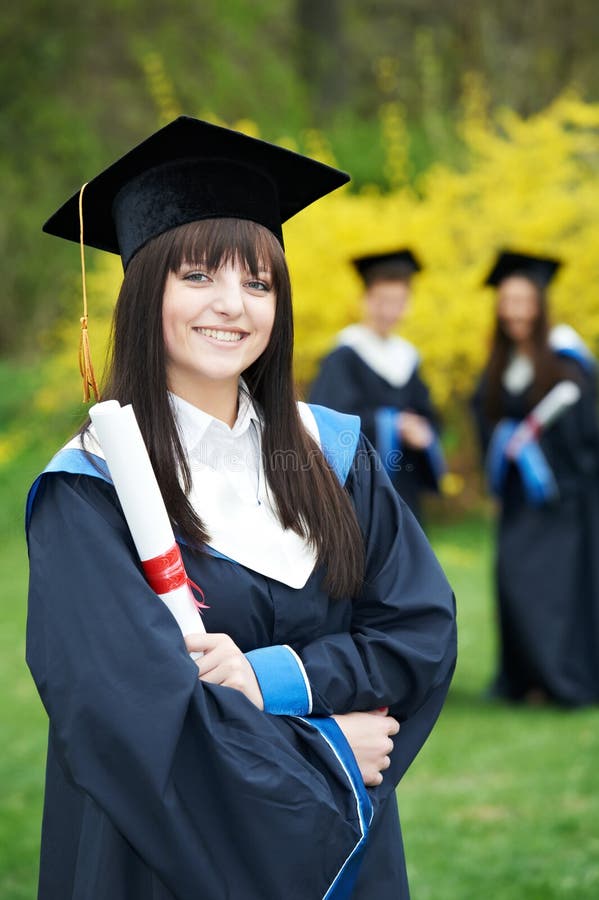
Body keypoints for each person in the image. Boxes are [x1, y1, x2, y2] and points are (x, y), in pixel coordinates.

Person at [26, 116, 457, 900]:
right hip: (163, 863)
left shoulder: (328, 451)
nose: (233, 305)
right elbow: (127, 723)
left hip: (345, 863)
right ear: (142, 286)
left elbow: (417, 631)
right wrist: (327, 748)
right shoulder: (91, 490)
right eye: (197, 276)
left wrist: (273, 680)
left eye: (258, 282)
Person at [471, 250, 599, 707]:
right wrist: (506, 437)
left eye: (524, 300)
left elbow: (587, 430)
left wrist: (541, 450)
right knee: (513, 582)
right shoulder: (502, 361)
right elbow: (483, 416)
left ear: (540, 305)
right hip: (520, 502)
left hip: (563, 502)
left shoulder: (568, 359)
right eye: (507, 301)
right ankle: (524, 679)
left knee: (555, 594)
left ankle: (560, 683)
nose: (514, 311)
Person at [309, 249, 444, 522]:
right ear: (366, 299)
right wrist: (394, 425)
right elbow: (329, 421)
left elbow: (428, 414)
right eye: (382, 301)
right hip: (357, 487)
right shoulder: (344, 355)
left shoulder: (407, 357)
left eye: (399, 302)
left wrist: (422, 429)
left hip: (404, 485)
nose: (390, 311)